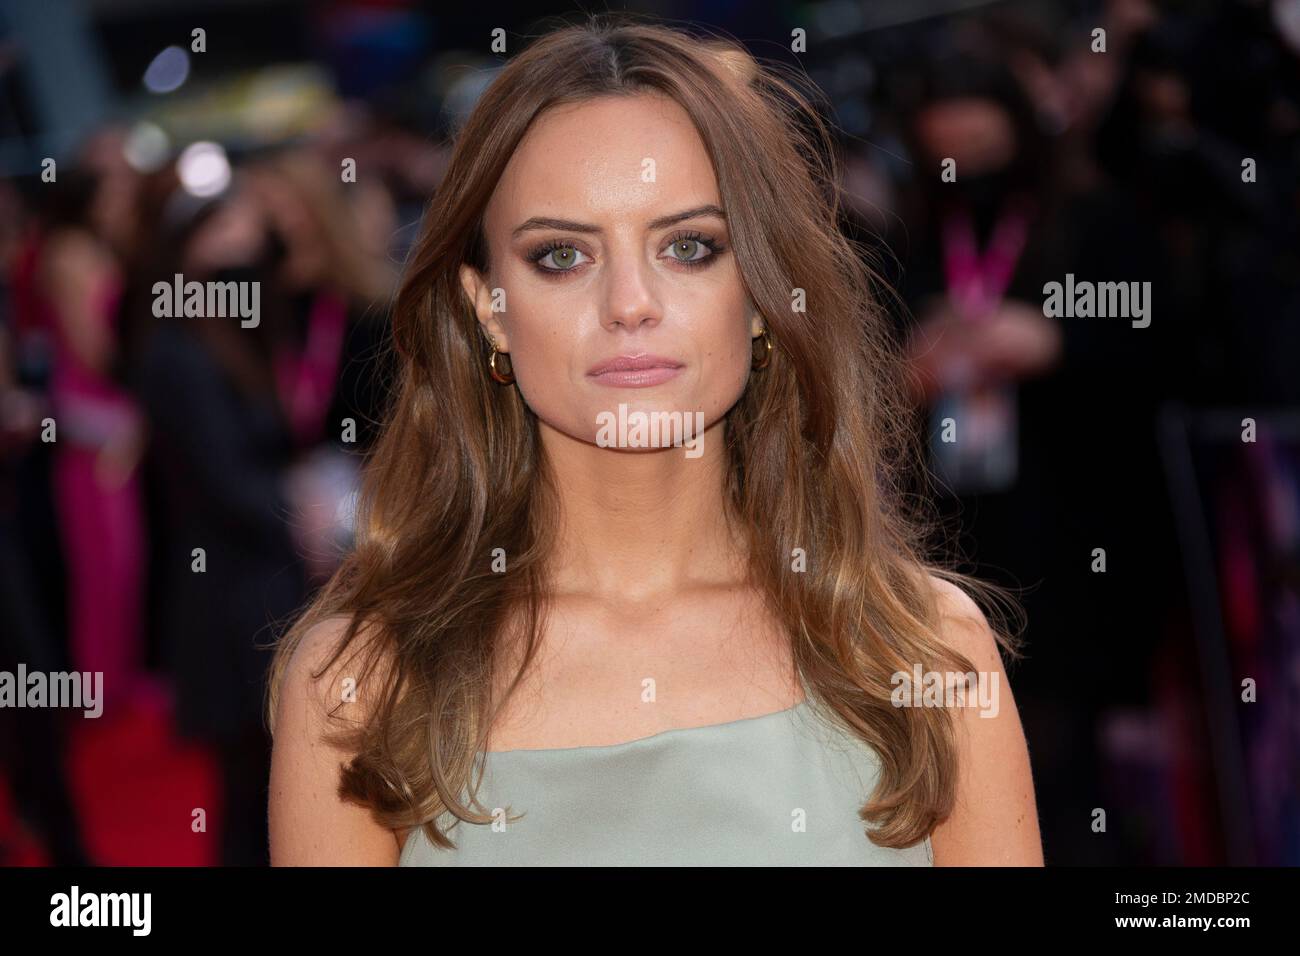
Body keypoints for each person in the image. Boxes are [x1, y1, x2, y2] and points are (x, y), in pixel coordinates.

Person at [266, 17, 1042, 866]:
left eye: (689, 247)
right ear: (488, 307)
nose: (630, 302)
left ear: (757, 292)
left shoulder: (921, 647)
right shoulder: (362, 682)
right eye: (561, 255)